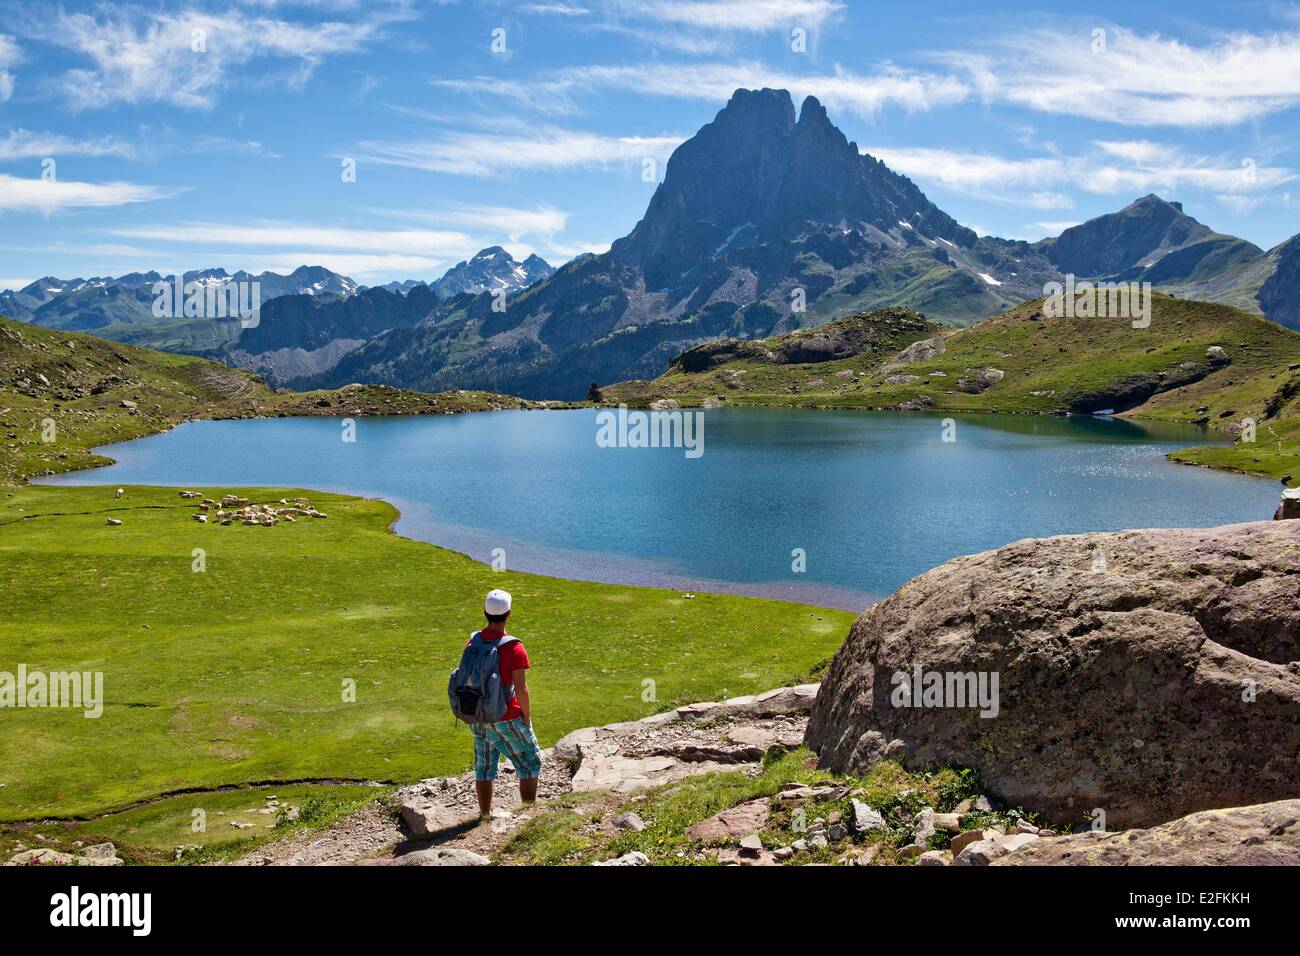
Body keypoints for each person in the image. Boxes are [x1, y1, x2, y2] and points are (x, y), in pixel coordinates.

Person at [468, 588, 542, 819]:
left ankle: (485, 815)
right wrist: (526, 716)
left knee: (484, 765)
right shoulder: (513, 647)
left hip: (479, 715)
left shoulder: (473, 641)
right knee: (530, 762)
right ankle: (527, 814)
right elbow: (521, 687)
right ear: (509, 613)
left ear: (485, 613)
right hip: (507, 716)